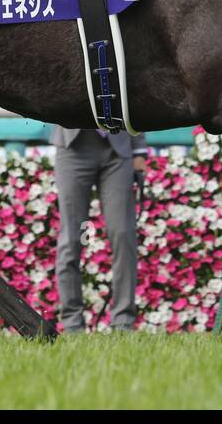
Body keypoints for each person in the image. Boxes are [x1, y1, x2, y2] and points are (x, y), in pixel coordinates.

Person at [49, 126, 148, 332]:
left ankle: (123, 322)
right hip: (72, 148)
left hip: (118, 150)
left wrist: (139, 150)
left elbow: (133, 97)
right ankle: (72, 324)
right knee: (72, 238)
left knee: (123, 234)